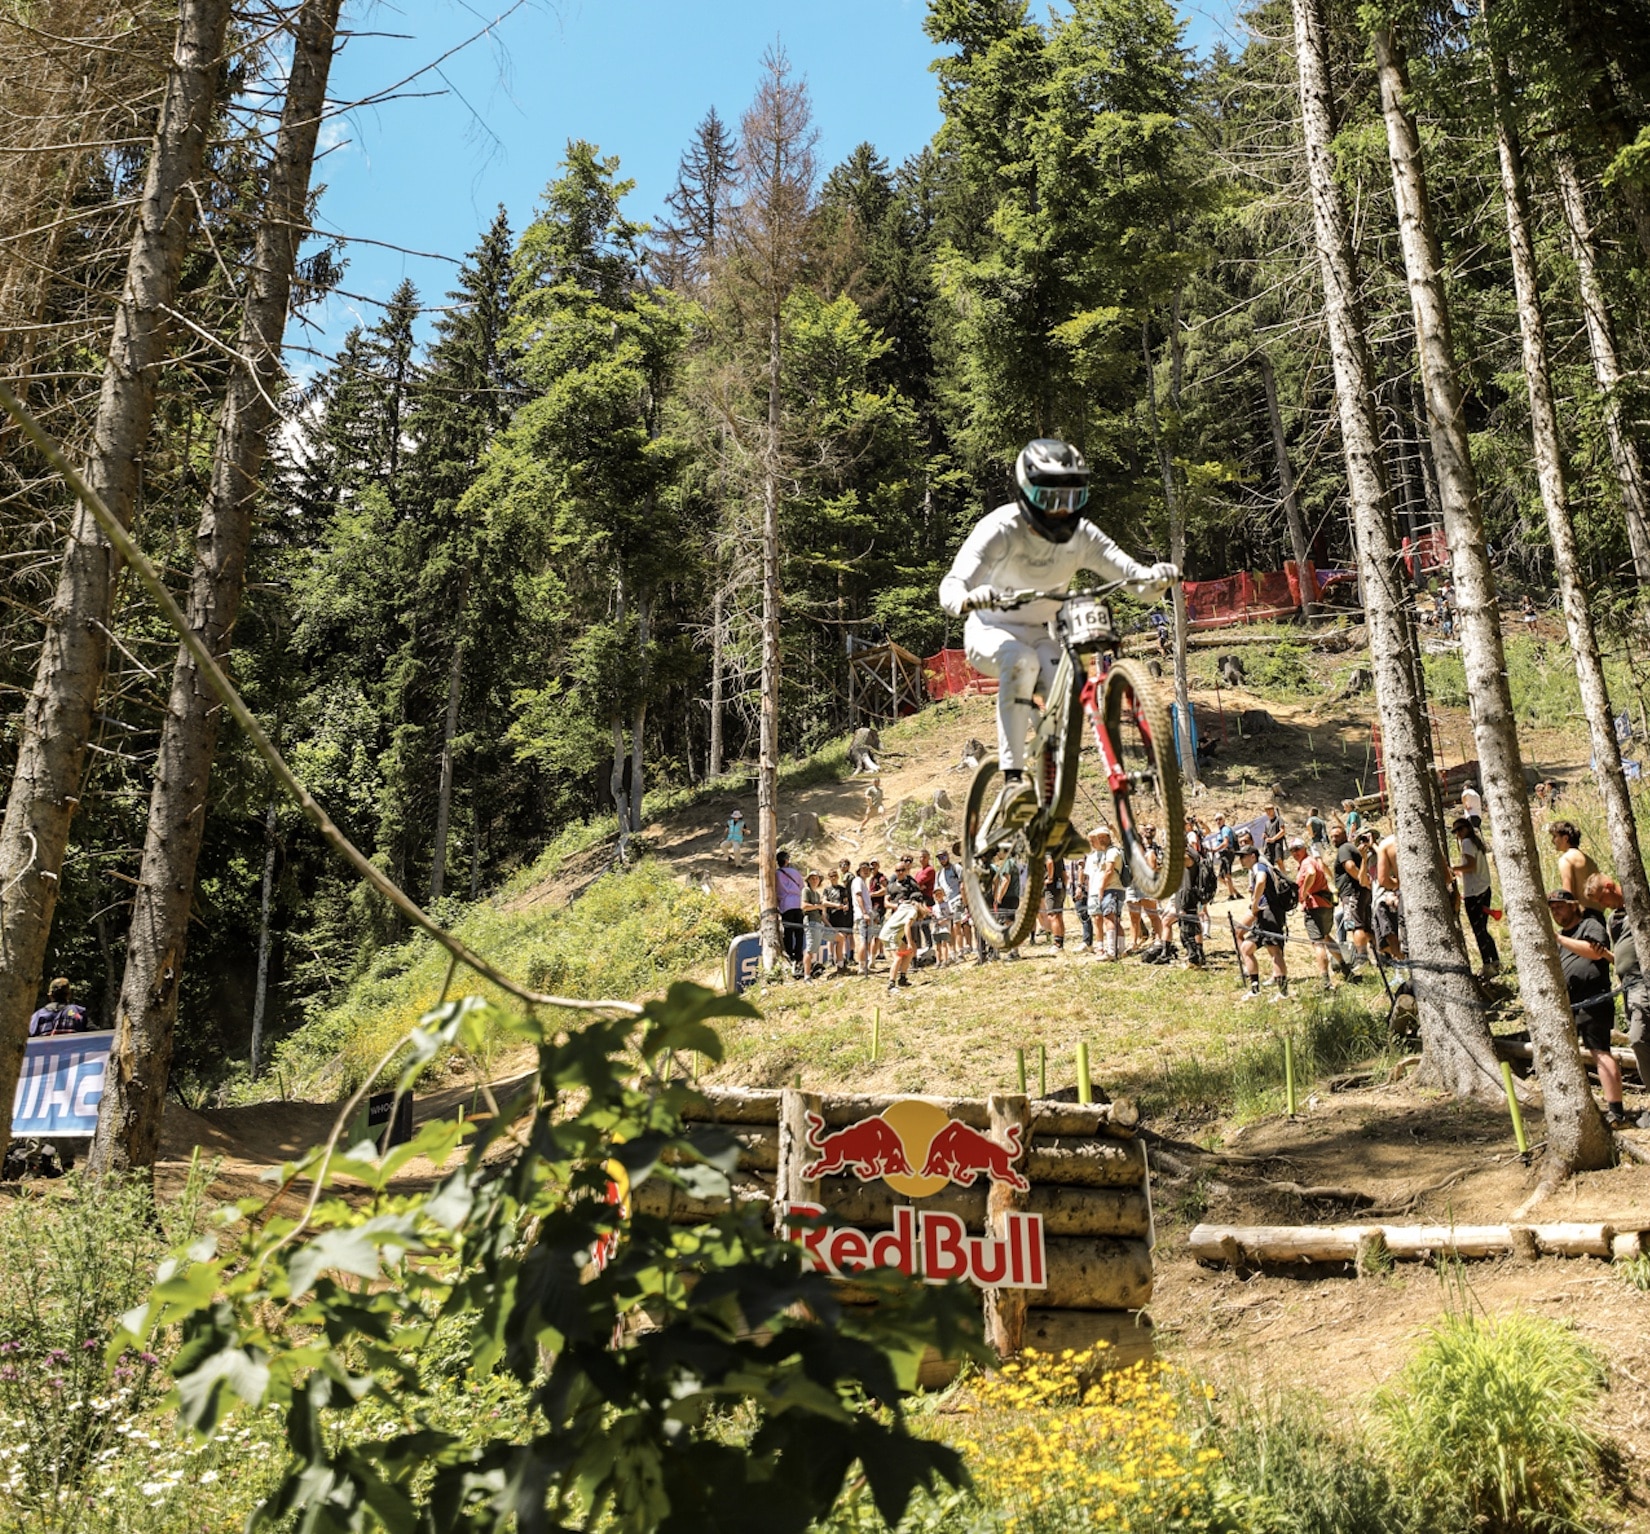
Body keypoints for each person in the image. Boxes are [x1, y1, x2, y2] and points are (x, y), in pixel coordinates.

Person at [938, 437, 1176, 825]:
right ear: (1027, 493)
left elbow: (1131, 577)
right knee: (1021, 661)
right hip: (988, 629)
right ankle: (1014, 780)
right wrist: (966, 599)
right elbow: (953, 582)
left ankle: (1051, 809)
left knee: (1064, 689)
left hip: (1038, 631)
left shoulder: (1082, 535)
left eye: (1073, 497)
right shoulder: (1000, 527)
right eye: (1051, 498)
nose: (1062, 509)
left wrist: (1156, 579)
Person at [1547, 889, 1629, 1126]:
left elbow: (1596, 952)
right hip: (1570, 1002)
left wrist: (1559, 939)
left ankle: (1616, 1111)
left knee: (1600, 1051)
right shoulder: (1563, 935)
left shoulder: (1590, 925)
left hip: (1594, 999)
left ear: (1573, 905)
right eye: (1552, 908)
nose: (1556, 911)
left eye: (1560, 906)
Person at [1583, 874, 1650, 1126]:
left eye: (1603, 898)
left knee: (1637, 1037)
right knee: (1641, 1040)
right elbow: (1619, 957)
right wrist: (1606, 955)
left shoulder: (1641, 904)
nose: (1604, 904)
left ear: (1610, 886)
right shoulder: (1615, 919)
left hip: (1644, 982)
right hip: (1629, 987)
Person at [1236, 841, 1289, 1002]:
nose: (1241, 860)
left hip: (1270, 914)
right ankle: (1254, 989)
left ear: (1253, 856)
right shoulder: (1256, 868)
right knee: (1246, 948)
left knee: (1274, 951)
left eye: (1243, 857)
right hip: (1262, 916)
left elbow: (1261, 881)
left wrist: (1254, 903)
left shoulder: (1259, 867)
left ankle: (1283, 993)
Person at [1450, 816, 1499, 977]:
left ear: (1467, 829)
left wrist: (1453, 868)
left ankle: (1487, 965)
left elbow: (1471, 866)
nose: (1458, 833)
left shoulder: (1467, 843)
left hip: (1475, 892)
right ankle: (1495, 961)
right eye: (1455, 831)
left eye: (1460, 829)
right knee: (1483, 929)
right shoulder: (1476, 842)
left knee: (1478, 930)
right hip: (1484, 889)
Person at [1291, 838, 1335, 995]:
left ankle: (1326, 981)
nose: (1295, 853)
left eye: (1297, 848)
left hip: (1315, 906)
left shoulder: (1306, 863)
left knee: (1317, 943)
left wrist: (1303, 893)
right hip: (1325, 904)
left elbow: (1311, 873)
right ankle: (1344, 966)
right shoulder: (1311, 860)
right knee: (1326, 937)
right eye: (1292, 851)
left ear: (1304, 848)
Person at [1332, 825, 1373, 973]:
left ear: (1344, 835)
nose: (1333, 839)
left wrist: (1363, 881)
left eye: (1336, 835)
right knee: (1366, 925)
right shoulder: (1352, 849)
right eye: (1332, 836)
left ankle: (1362, 959)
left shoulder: (1344, 848)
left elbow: (1350, 867)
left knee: (1356, 925)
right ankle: (1382, 956)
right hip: (1361, 892)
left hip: (1352, 893)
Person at [1550, 820, 1600, 912]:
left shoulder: (1566, 859)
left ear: (1565, 838)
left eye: (1555, 836)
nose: (1552, 841)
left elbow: (1568, 894)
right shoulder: (1589, 860)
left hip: (1582, 915)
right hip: (1598, 914)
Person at [1372, 827, 1404, 960]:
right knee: (1384, 942)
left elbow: (1384, 879)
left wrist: (1374, 845)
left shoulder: (1384, 848)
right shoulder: (1367, 858)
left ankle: (1403, 963)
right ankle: (1400, 963)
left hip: (1388, 898)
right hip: (1377, 900)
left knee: (1394, 935)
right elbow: (1363, 880)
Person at [776, 850, 806, 975]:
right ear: (787, 860)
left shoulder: (776, 874)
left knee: (788, 931)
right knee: (799, 931)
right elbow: (801, 886)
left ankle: (789, 954)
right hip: (797, 902)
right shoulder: (794, 872)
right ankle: (798, 955)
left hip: (785, 904)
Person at [823, 862, 855, 974]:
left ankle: (842, 959)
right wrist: (835, 905)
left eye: (835, 876)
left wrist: (845, 907)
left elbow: (846, 901)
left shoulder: (842, 889)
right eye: (831, 876)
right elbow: (824, 902)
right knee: (832, 938)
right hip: (831, 916)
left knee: (842, 937)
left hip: (841, 916)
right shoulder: (827, 890)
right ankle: (830, 958)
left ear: (837, 876)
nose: (833, 878)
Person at [801, 872, 831, 980]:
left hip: (819, 924)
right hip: (811, 923)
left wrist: (830, 926)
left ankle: (840, 965)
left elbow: (820, 914)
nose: (814, 880)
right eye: (812, 878)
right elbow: (804, 906)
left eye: (816, 878)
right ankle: (806, 976)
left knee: (839, 938)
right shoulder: (806, 891)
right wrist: (817, 906)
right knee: (810, 950)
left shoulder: (817, 894)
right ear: (808, 880)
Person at [851, 860, 877, 976]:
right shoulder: (857, 881)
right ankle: (861, 967)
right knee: (863, 940)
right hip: (863, 915)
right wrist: (865, 913)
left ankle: (864, 965)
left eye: (868, 870)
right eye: (864, 869)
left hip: (866, 913)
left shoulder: (862, 882)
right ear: (859, 870)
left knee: (866, 940)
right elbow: (858, 896)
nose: (866, 871)